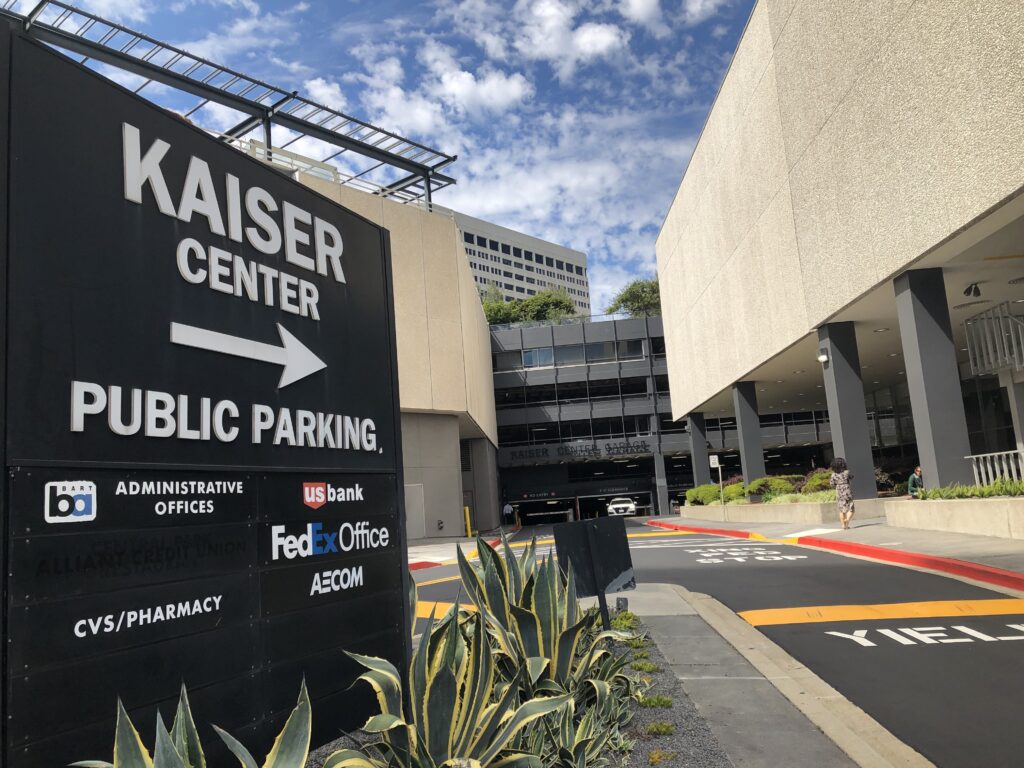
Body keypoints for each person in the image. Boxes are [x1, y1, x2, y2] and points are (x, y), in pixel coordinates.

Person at [829, 457, 855, 530]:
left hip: (839, 491)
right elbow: (851, 479)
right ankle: (847, 520)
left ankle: (844, 525)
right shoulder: (846, 472)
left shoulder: (833, 475)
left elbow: (831, 484)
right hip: (847, 490)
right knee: (851, 508)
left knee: (841, 509)